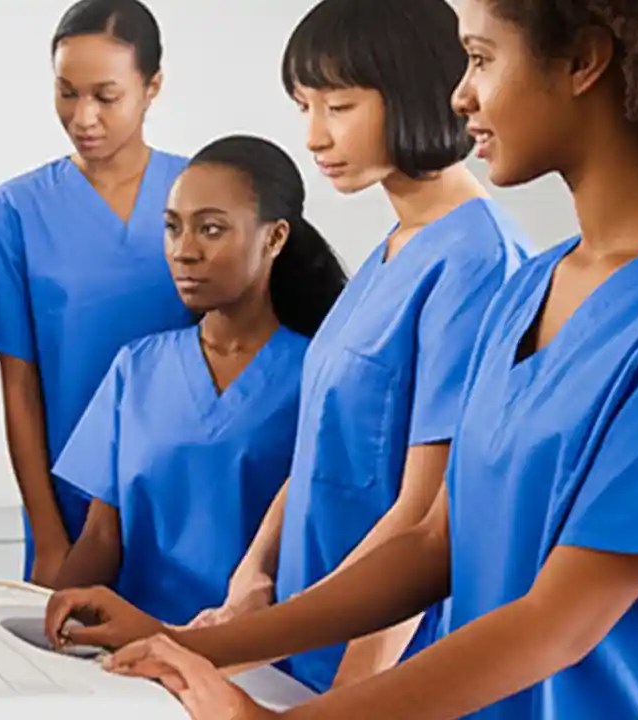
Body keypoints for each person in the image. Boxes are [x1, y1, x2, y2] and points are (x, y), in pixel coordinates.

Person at [45, 0, 638, 717]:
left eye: (480, 59)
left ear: (582, 61)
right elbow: (435, 542)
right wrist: (189, 642)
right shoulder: (532, 289)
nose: (460, 98)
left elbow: (560, 622)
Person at [178, 0, 527, 692]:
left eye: (337, 106)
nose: (312, 135)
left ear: (416, 92)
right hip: (310, 647)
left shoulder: (478, 262)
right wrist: (254, 580)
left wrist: (358, 687)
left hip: (391, 663)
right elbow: (323, 454)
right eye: (304, 106)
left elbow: (427, 520)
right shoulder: (390, 254)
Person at [50, 135, 348, 627]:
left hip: (260, 660)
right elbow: (102, 539)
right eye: (172, 228)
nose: (184, 251)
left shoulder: (320, 376)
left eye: (210, 229)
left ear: (274, 238)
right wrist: (45, 623)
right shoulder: (137, 368)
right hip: (132, 652)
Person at [0, 0, 193, 586]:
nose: (84, 116)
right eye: (66, 92)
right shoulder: (17, 211)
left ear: (151, 87)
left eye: (106, 96)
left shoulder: (203, 196)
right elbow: (21, 388)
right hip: (72, 509)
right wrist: (49, 535)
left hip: (193, 501)